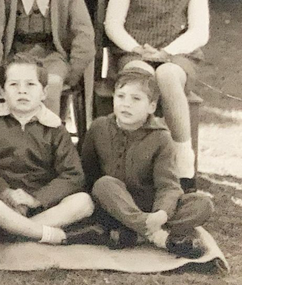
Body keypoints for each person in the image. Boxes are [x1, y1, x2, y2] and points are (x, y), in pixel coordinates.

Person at [104, 0, 208, 181]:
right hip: (134, 51)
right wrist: (137, 48)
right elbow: (113, 24)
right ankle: (134, 162)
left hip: (177, 55)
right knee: (142, 78)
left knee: (167, 74)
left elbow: (200, 31)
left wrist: (167, 53)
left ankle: (182, 157)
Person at [0, 57, 105, 246]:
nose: (22, 90)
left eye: (30, 84)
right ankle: (47, 234)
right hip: (1, 201)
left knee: (83, 202)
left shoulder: (54, 129)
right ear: (2, 92)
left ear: (44, 92)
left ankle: (11, 231)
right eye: (13, 84)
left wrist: (36, 199)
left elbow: (73, 175)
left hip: (41, 205)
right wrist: (4, 191)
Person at [80, 68, 212, 258]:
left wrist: (162, 213)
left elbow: (168, 186)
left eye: (136, 99)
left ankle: (134, 233)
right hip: (114, 202)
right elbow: (88, 173)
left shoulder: (161, 137)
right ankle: (159, 237)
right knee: (103, 184)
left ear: (151, 106)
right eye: (121, 96)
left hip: (149, 205)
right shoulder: (99, 127)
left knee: (202, 204)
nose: (126, 104)